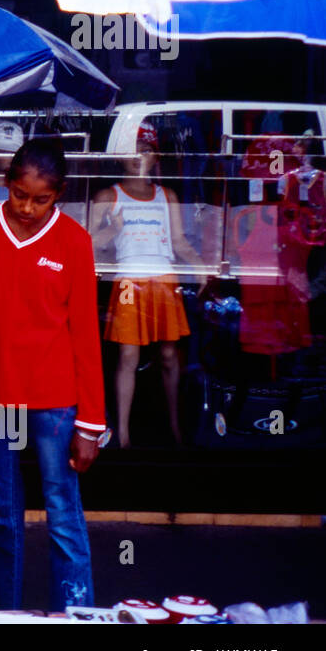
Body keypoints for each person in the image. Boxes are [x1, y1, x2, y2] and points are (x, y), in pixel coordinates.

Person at [0, 139, 105, 612]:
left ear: (59, 193)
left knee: (62, 511)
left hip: (55, 401)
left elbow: (85, 332)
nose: (27, 207)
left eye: (40, 199)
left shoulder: (74, 241)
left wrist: (91, 423)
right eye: (19, 194)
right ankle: (3, 612)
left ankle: (76, 610)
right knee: (3, 517)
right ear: (5, 184)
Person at [92, 123, 199, 448]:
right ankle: (123, 434)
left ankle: (175, 426)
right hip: (128, 279)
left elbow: (179, 241)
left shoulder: (167, 196)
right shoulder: (108, 195)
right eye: (134, 148)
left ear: (156, 156)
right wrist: (113, 230)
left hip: (163, 279)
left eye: (147, 149)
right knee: (128, 356)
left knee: (169, 355)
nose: (140, 156)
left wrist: (202, 268)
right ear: (122, 155)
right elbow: (88, 244)